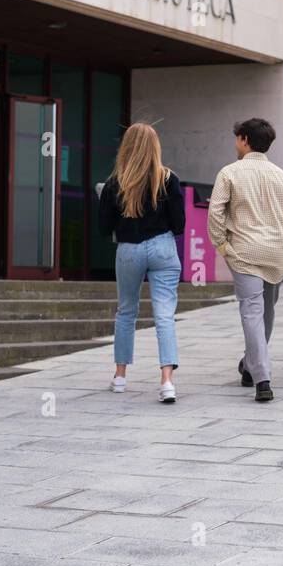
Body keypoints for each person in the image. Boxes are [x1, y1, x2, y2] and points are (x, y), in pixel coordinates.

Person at [208, 117, 283, 402]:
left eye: (237, 138)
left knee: (252, 312)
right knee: (266, 311)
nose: (236, 143)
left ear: (245, 140)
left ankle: (262, 378)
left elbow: (215, 212)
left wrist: (222, 245)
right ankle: (251, 366)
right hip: (278, 252)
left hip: (245, 252)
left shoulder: (229, 173)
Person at [98, 122, 184, 403]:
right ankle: (167, 382)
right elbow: (180, 223)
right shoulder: (168, 179)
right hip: (162, 247)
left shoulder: (114, 182)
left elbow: (103, 226)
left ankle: (120, 376)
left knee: (125, 311)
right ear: (155, 147)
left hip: (129, 249)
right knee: (164, 314)